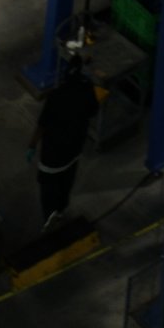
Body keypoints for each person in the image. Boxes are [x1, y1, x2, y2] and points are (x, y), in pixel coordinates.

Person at [31, 44, 100, 231]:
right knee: (65, 184)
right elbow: (94, 110)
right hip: (73, 151)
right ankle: (60, 211)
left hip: (52, 155)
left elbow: (42, 125)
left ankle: (49, 219)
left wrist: (32, 146)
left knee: (48, 188)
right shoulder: (86, 90)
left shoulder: (55, 96)